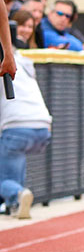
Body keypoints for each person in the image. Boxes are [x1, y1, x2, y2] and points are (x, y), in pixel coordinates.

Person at [0, 42, 52, 219]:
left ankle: (17, 194)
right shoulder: (24, 63)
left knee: (4, 179)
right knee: (14, 167)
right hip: (43, 126)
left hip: (17, 127)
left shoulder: (4, 64)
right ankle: (18, 204)